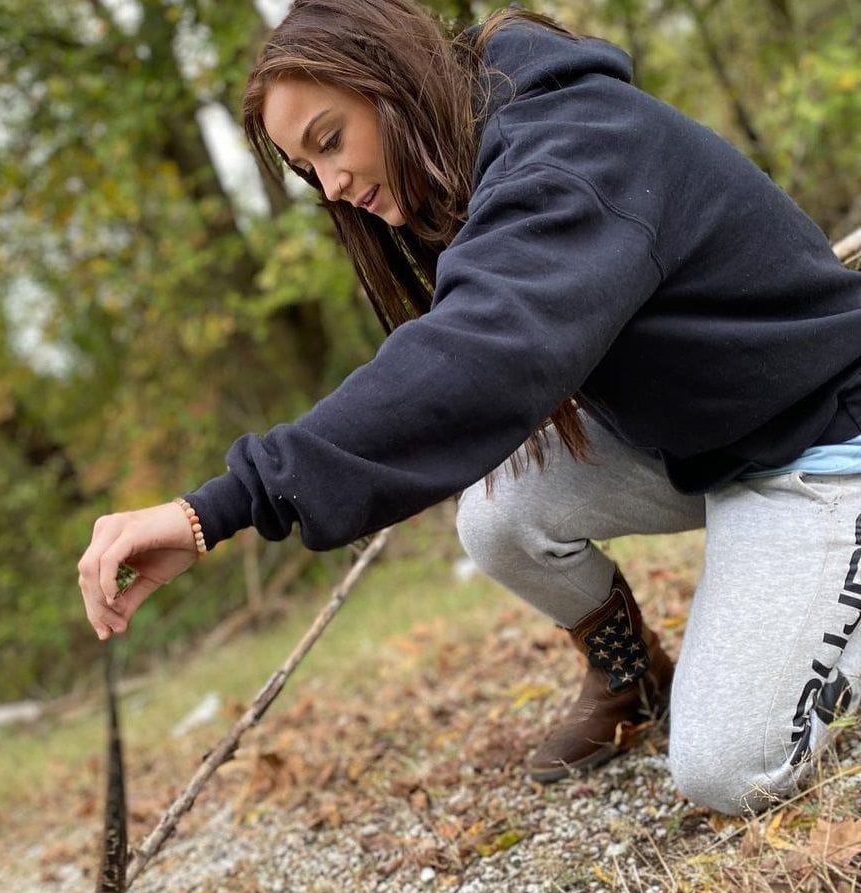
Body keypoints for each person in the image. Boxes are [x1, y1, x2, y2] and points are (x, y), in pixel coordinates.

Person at [77, 0, 861, 817]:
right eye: (309, 170)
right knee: (498, 512)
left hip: (820, 440)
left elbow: (472, 360)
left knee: (728, 766)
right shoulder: (491, 146)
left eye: (330, 139)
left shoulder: (574, 149)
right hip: (705, 443)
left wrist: (214, 509)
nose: (332, 185)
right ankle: (633, 676)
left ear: (388, 80)